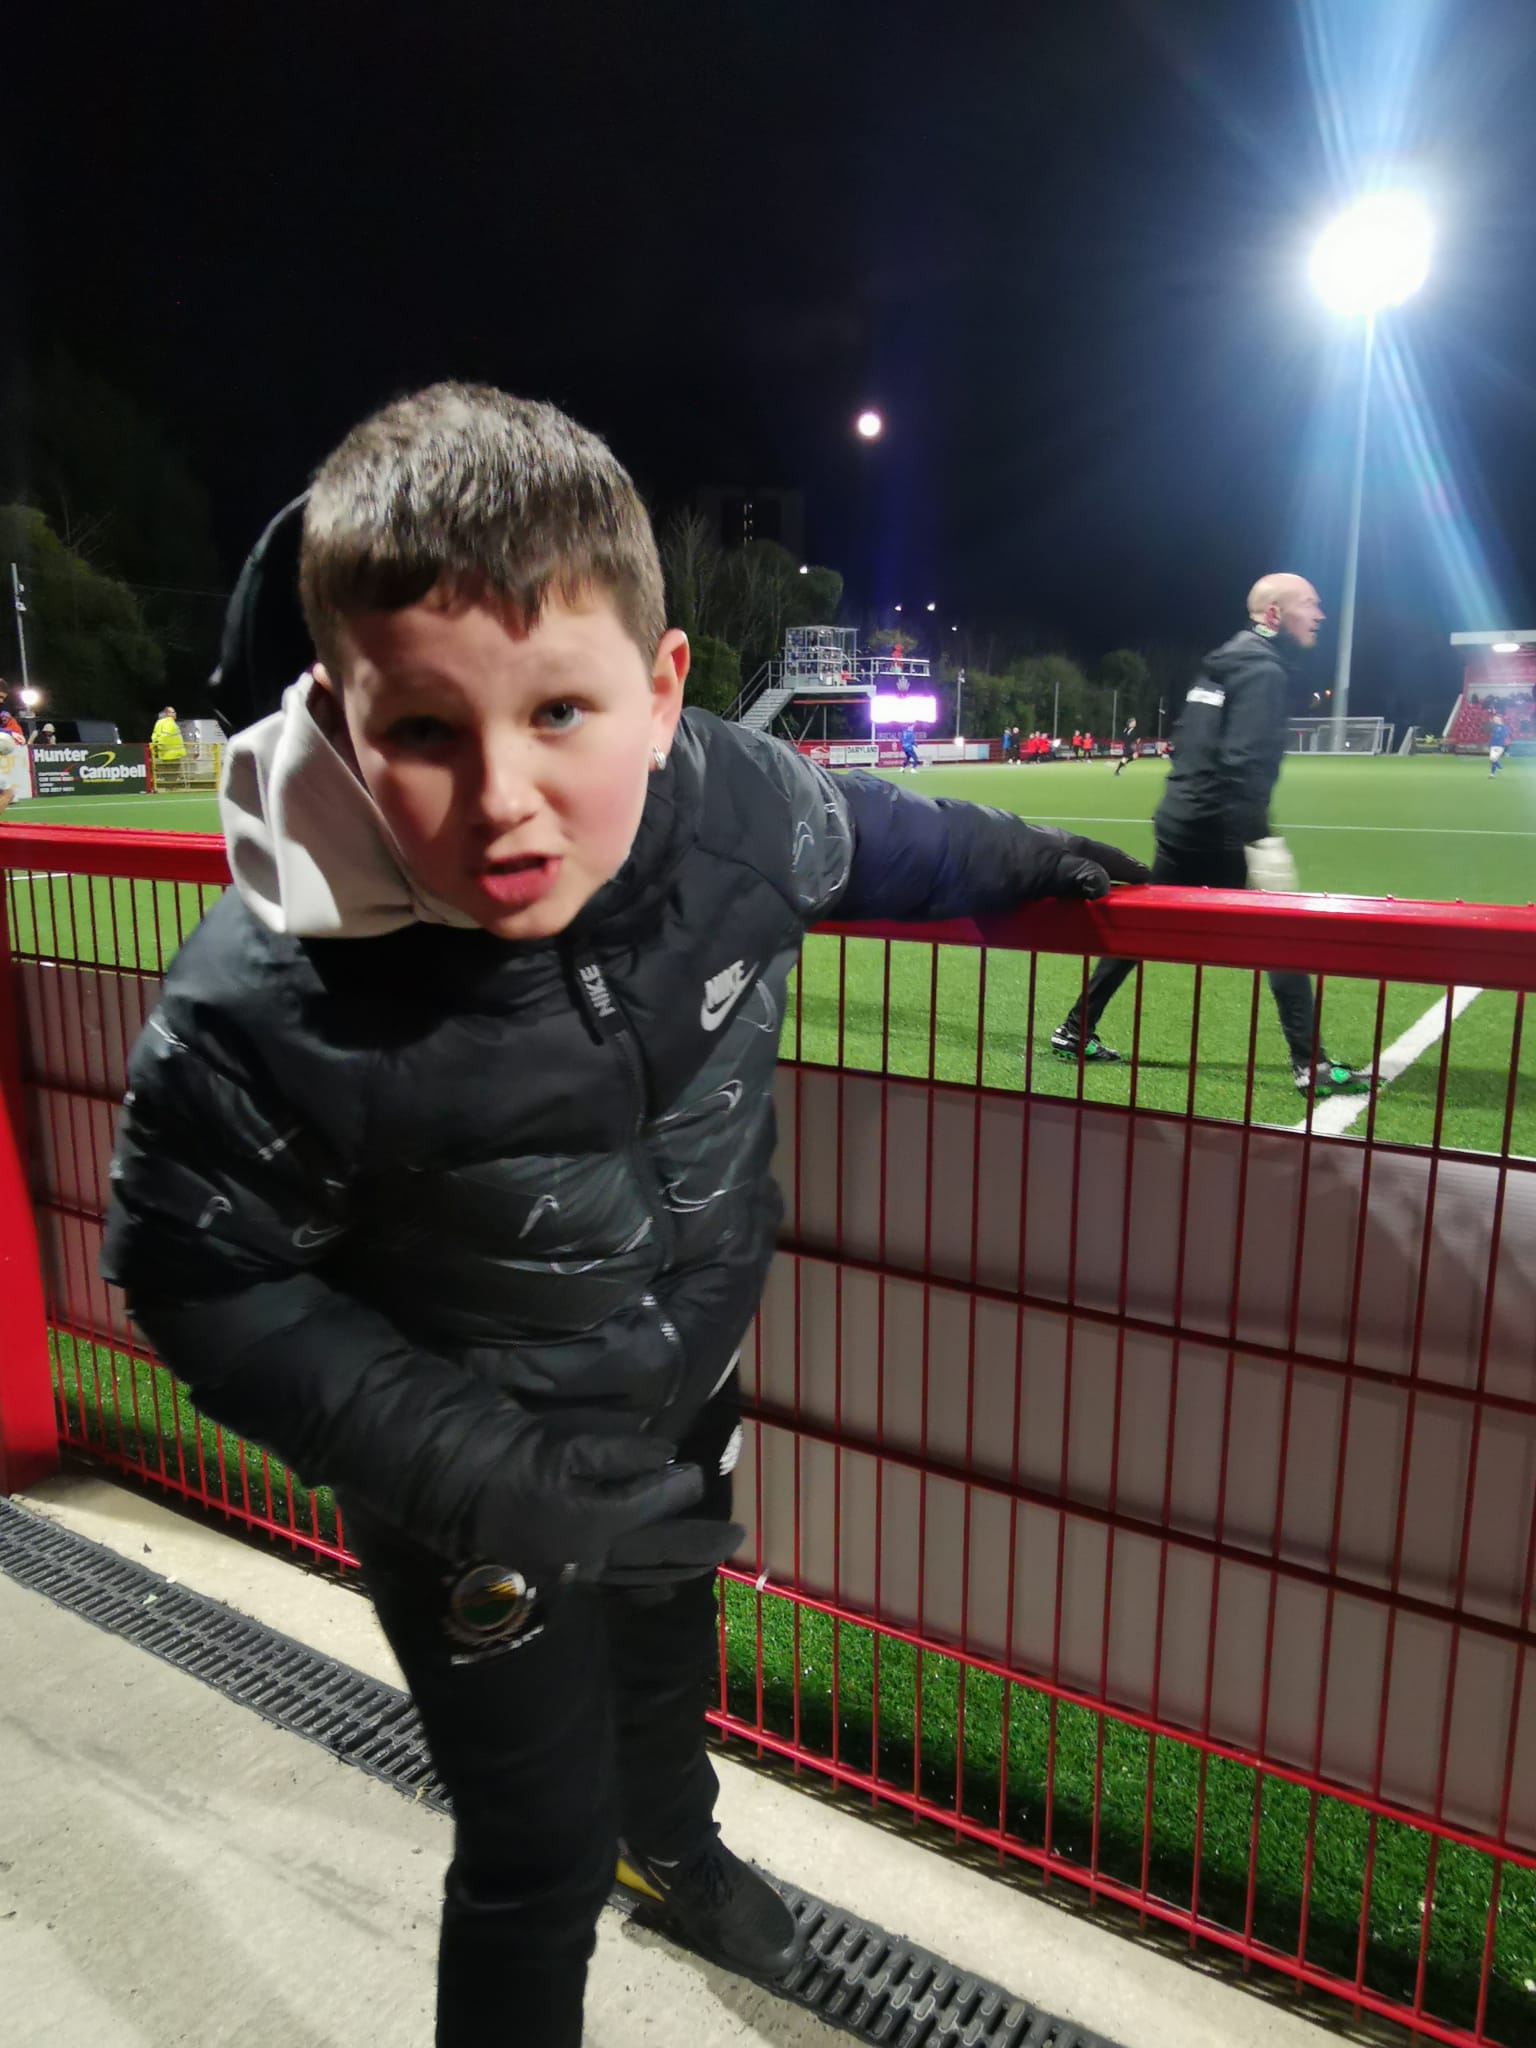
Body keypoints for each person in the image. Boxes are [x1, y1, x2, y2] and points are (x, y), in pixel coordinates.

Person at [98, 383, 1149, 2048]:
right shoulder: (270, 988)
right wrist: (486, 1469)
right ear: (335, 712)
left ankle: (683, 1836)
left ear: (662, 696)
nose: (504, 794)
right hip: (470, 1492)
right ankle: (613, 1847)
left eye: (559, 713)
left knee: (669, 1654)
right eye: (426, 730)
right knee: (532, 1840)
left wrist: (1034, 856)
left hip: (679, 1398)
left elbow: (877, 833)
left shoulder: (736, 802)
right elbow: (189, 1266)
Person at [1048, 574, 1373, 1099]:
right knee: (1283, 933)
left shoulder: (1220, 661)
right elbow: (1244, 763)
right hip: (1221, 828)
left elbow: (1186, 743)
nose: (1319, 614)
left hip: (1180, 819)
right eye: (1309, 604)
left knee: (1141, 930)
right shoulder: (1263, 672)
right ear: (1273, 615)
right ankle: (1309, 1064)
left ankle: (1074, 1029)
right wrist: (1260, 842)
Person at [150, 705, 188, 788]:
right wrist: (159, 746)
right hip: (173, 754)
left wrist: (157, 748)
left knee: (168, 774)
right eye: (173, 712)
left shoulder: (159, 723)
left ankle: (168, 786)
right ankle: (170, 789)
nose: (175, 714)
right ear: (168, 714)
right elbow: (165, 737)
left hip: (164, 753)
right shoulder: (169, 723)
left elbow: (154, 736)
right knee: (172, 775)